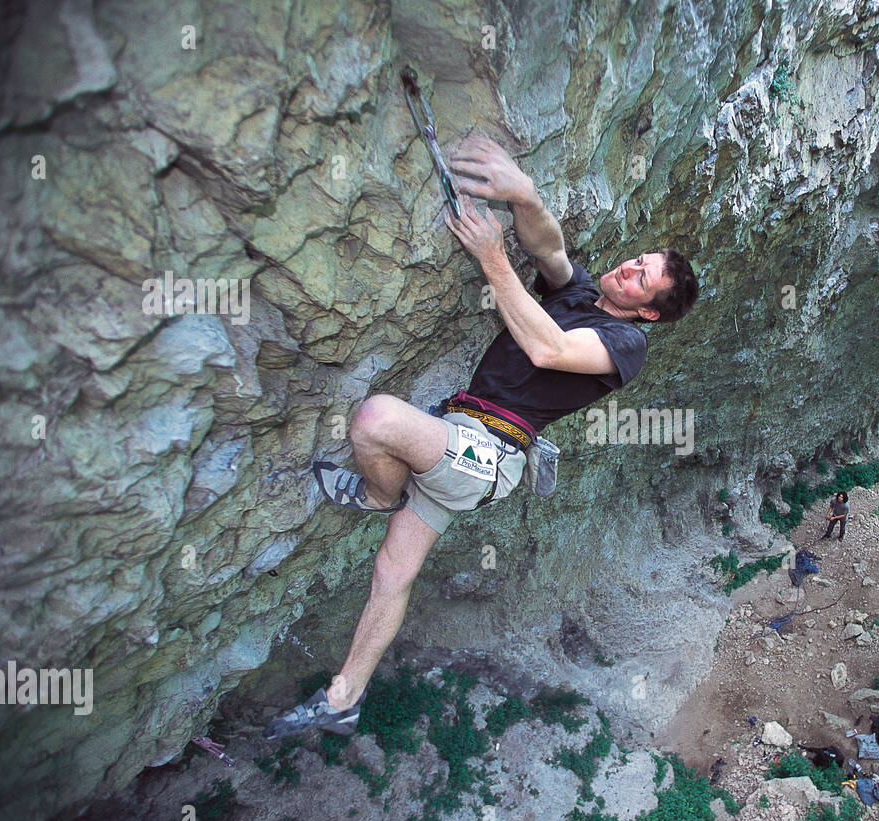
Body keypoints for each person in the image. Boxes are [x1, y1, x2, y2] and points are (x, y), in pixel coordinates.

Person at [265, 134, 699, 739]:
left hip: (488, 456)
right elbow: (551, 249)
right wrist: (522, 191)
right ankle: (344, 696)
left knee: (375, 420)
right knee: (392, 572)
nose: (629, 266)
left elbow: (548, 349)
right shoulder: (583, 292)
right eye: (639, 259)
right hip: (461, 439)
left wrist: (493, 259)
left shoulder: (628, 346)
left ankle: (381, 495)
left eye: (641, 278)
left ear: (648, 311)